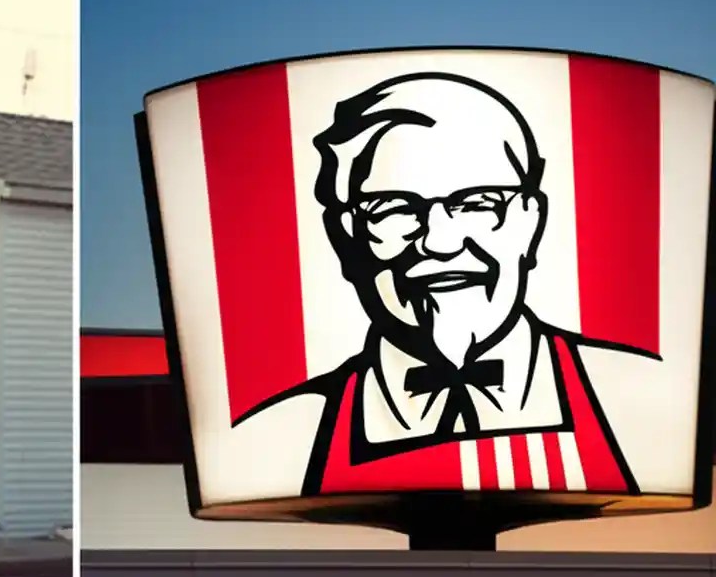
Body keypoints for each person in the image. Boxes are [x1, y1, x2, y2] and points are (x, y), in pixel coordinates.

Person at [240, 72, 656, 497]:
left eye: (478, 203)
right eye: (393, 208)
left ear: (531, 221)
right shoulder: (285, 433)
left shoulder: (639, 397)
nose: (439, 242)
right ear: (346, 238)